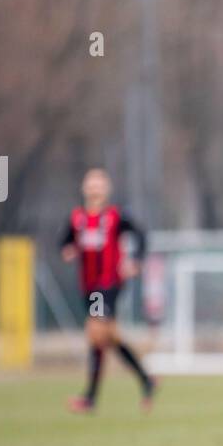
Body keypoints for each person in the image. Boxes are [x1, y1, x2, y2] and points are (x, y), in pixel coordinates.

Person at [61, 168, 156, 413]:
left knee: (95, 333)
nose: (95, 189)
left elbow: (141, 235)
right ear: (84, 188)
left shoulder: (116, 216)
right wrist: (68, 250)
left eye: (99, 184)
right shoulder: (76, 218)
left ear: (107, 189)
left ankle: (90, 398)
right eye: (91, 184)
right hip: (88, 287)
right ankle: (146, 380)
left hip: (109, 284)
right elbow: (64, 242)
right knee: (108, 337)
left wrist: (135, 260)